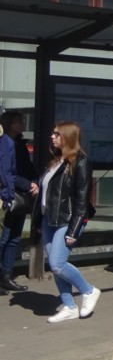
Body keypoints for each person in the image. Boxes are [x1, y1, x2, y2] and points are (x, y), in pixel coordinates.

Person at [35, 121, 99, 323]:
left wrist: (74, 229)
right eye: (52, 133)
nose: (52, 137)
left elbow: (82, 199)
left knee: (57, 264)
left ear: (68, 137)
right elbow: (48, 192)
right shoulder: (56, 160)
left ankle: (88, 291)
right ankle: (69, 306)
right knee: (54, 265)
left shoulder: (81, 161)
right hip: (49, 218)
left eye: (56, 134)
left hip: (67, 220)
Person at [0, 110, 38, 293]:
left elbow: (28, 168)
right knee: (4, 238)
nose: (22, 123)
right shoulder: (5, 142)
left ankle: (6, 276)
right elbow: (7, 173)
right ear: (9, 123)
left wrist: (35, 183)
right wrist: (28, 184)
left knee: (14, 238)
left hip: (22, 197)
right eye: (18, 121)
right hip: (9, 197)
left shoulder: (20, 144)